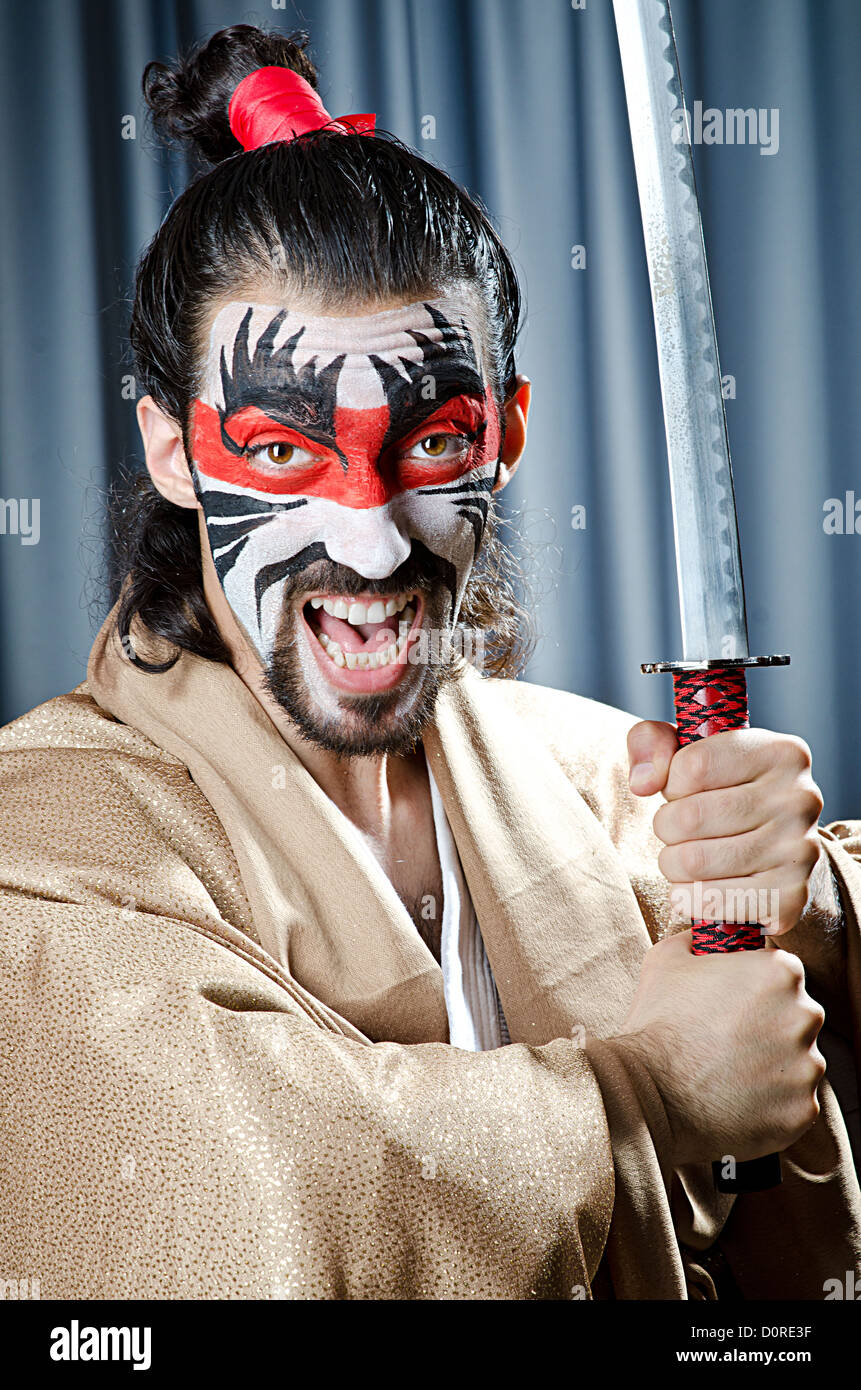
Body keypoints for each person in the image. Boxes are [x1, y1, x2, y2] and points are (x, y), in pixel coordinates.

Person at [0, 23, 859, 1301]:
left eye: (432, 437)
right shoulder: (45, 838)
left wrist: (788, 888)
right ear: (174, 450)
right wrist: (654, 1092)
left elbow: (777, 1010)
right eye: (282, 453)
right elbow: (256, 1199)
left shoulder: (588, 771)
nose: (368, 534)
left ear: (507, 430)